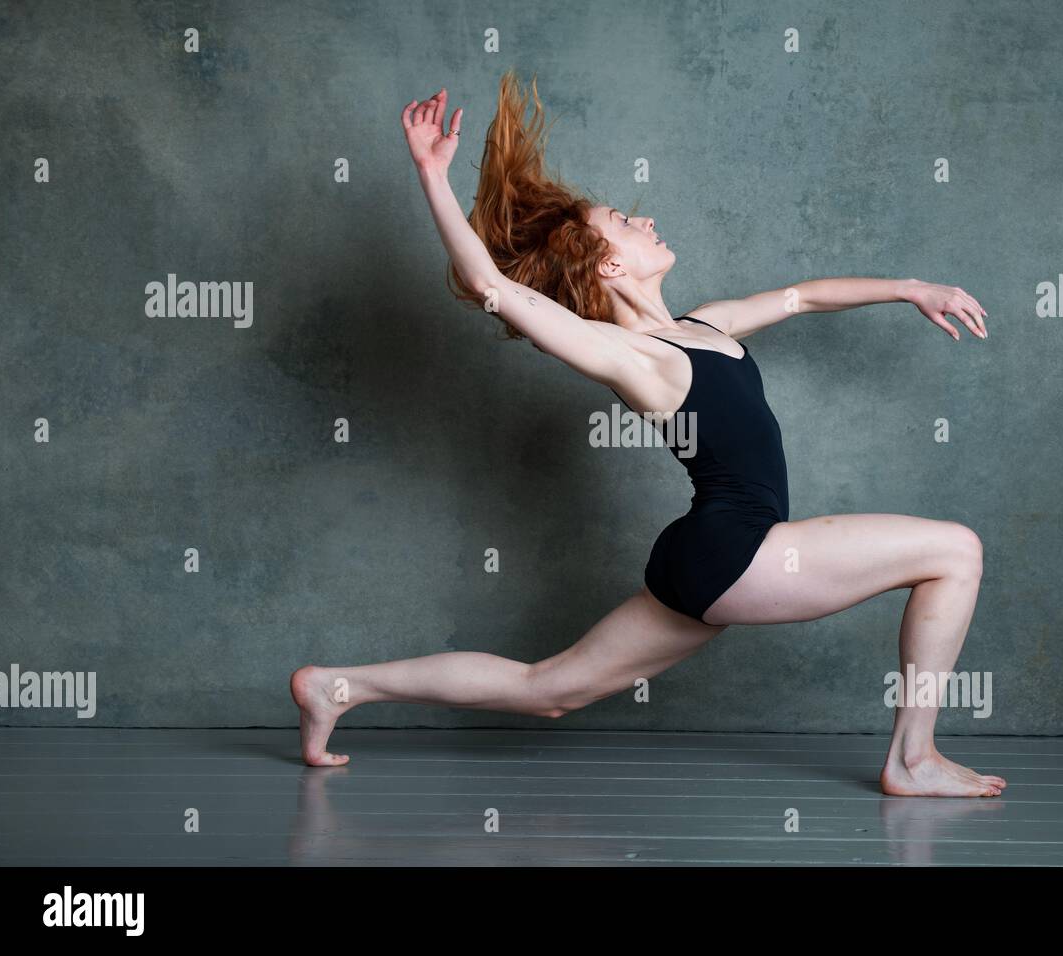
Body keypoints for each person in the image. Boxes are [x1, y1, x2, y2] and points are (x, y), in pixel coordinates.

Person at [291, 71, 1005, 797]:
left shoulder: (705, 324)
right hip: (741, 551)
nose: (647, 221)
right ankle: (912, 760)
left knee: (549, 687)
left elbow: (806, 296)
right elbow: (493, 289)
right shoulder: (636, 358)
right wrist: (432, 177)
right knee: (955, 550)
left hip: (703, 557)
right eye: (628, 224)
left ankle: (337, 687)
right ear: (609, 264)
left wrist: (912, 288)